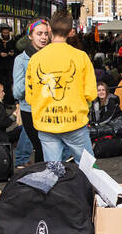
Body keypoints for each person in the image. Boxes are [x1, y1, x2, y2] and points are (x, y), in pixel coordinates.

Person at [27, 10, 96, 163]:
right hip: (75, 122)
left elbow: (29, 96)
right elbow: (91, 93)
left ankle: (58, 188)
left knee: (53, 170)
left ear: (50, 29)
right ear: (71, 32)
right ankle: (87, 188)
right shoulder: (81, 57)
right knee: (88, 168)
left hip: (46, 123)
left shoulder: (35, 59)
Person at [12, 18, 50, 164]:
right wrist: (33, 77)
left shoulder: (50, 56)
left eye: (46, 34)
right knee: (40, 148)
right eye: (39, 33)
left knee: (49, 149)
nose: (43, 37)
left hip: (50, 109)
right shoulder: (21, 60)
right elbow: (17, 93)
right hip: (30, 111)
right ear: (30, 36)